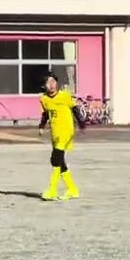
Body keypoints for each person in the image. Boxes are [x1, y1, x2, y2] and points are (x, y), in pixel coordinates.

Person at [38, 73, 86, 201]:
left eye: (53, 81)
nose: (52, 84)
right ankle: (72, 189)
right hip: (55, 131)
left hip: (66, 130)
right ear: (44, 86)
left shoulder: (65, 95)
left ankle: (52, 190)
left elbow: (75, 109)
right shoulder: (44, 99)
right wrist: (41, 126)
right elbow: (45, 114)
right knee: (60, 161)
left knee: (55, 158)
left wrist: (82, 124)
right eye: (48, 82)